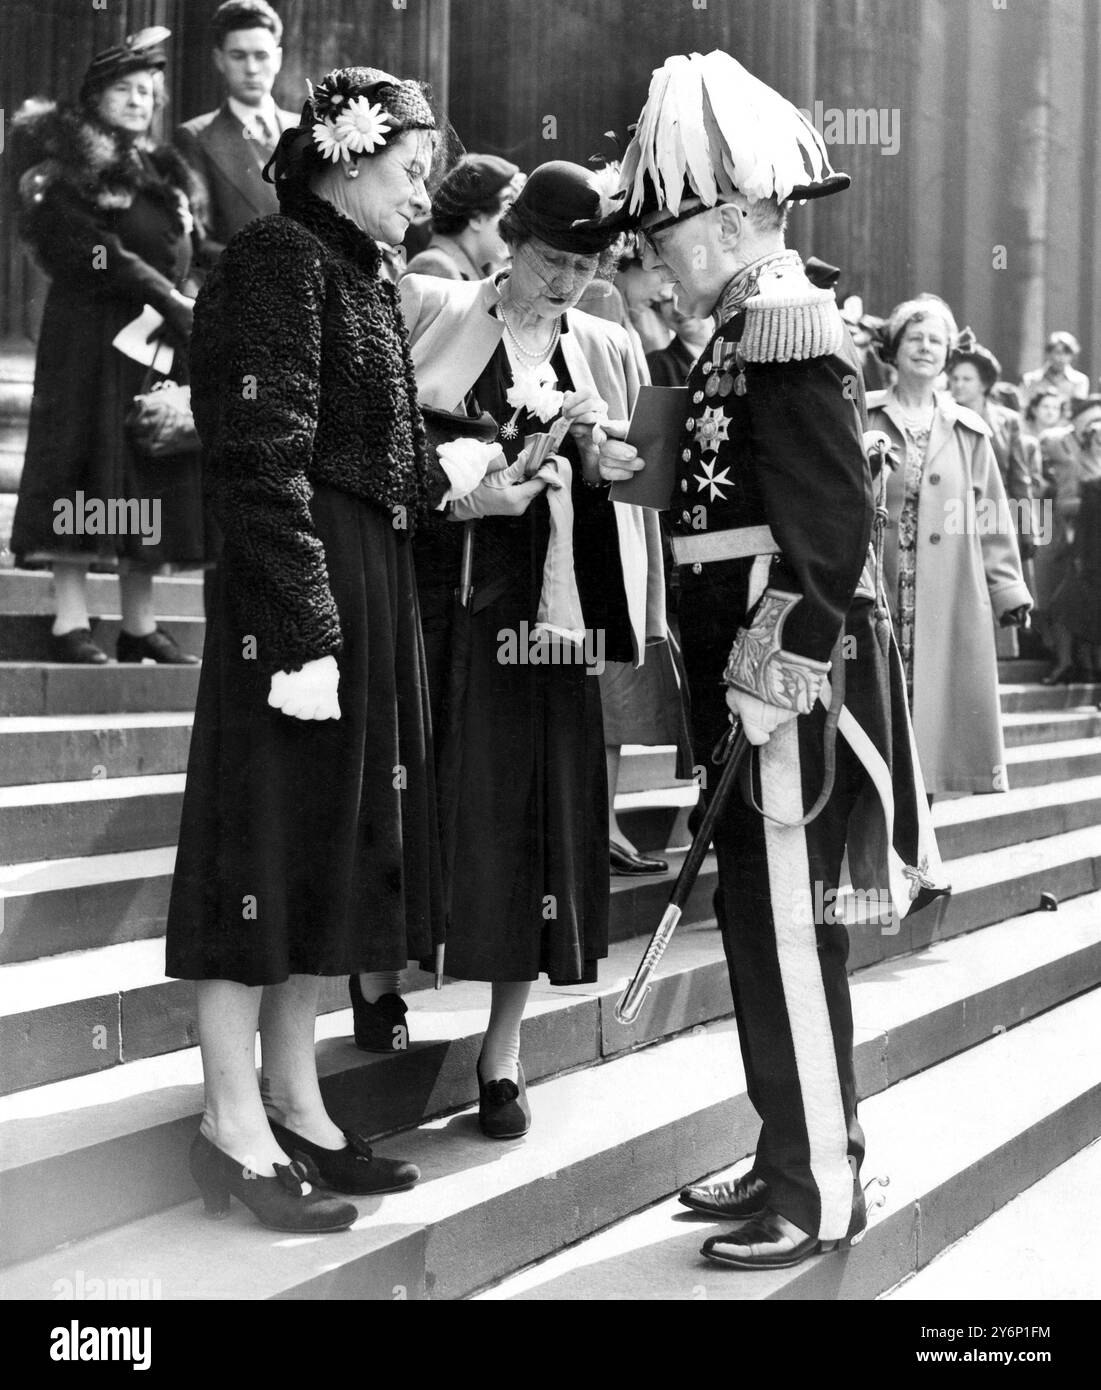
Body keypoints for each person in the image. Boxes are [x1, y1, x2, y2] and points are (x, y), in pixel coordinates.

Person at [620, 49, 943, 1271]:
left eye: (680, 223)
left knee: (788, 931)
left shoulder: (785, 317)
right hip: (737, 673)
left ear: (750, 211)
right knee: (758, 923)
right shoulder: (729, 331)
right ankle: (799, 1141)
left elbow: (829, 524)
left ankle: (820, 1193)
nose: (663, 248)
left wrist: (782, 659)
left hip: (783, 682)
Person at [164, 67, 469, 1231]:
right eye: (408, 170)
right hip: (297, 598)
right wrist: (301, 629)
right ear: (346, 155)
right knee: (263, 845)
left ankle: (296, 1102)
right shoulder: (277, 259)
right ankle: (229, 1120)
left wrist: (463, 472)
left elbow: (370, 453)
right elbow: (257, 455)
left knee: (320, 852)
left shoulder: (358, 271)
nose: (420, 193)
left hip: (363, 576)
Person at [389, 160, 669, 1136]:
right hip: (439, 601)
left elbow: (639, 494)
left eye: (586, 267)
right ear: (510, 238)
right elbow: (384, 456)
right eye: (551, 260)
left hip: (551, 623)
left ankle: (502, 1053)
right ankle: (377, 975)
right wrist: (468, 488)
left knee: (534, 821)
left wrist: (608, 459)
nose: (565, 283)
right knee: (414, 796)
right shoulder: (432, 307)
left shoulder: (608, 342)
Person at [10, 27, 204, 665]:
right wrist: (167, 297)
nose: (137, 100)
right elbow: (94, 248)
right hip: (88, 341)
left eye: (146, 91)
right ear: (94, 98)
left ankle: (139, 624)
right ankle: (70, 621)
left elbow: (190, 248)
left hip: (149, 344)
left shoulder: (162, 171)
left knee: (143, 468)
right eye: (122, 89)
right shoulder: (64, 167)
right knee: (83, 469)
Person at [867, 296, 1031, 791]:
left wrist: (1008, 592)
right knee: (875, 715)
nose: (925, 347)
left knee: (930, 730)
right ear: (893, 351)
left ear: (948, 356)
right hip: (874, 589)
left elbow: (990, 520)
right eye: (914, 338)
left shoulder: (970, 430)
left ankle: (920, 853)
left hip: (947, 594)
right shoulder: (861, 417)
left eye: (936, 340)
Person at [173, 2, 297, 265]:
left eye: (261, 56)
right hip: (240, 290)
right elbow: (199, 241)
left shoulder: (304, 131)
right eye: (238, 56)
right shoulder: (195, 137)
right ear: (220, 60)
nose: (251, 69)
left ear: (277, 58)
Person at [947, 334, 1038, 659]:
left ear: (984, 383)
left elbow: (1021, 479)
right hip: (953, 511)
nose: (959, 385)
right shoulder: (945, 414)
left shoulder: (1008, 421)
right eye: (954, 378)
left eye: (967, 379)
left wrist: (1029, 530)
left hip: (995, 513)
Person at [1042, 396, 1101, 683]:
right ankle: (1066, 663)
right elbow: (1064, 504)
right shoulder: (1077, 467)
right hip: (1082, 544)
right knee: (1065, 604)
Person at [402, 153, 523, 280]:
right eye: (506, 213)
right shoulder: (435, 268)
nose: (514, 227)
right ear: (476, 218)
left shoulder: (467, 269)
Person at [645, 288, 713, 386]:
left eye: (684, 293)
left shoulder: (737, 347)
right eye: (667, 300)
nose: (677, 309)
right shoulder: (656, 367)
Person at [1021, 331, 1090, 406]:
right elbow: (1024, 407)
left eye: (1067, 354)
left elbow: (1078, 409)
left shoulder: (1080, 381)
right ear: (1049, 353)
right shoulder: (1031, 379)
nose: (1062, 358)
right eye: (1058, 352)